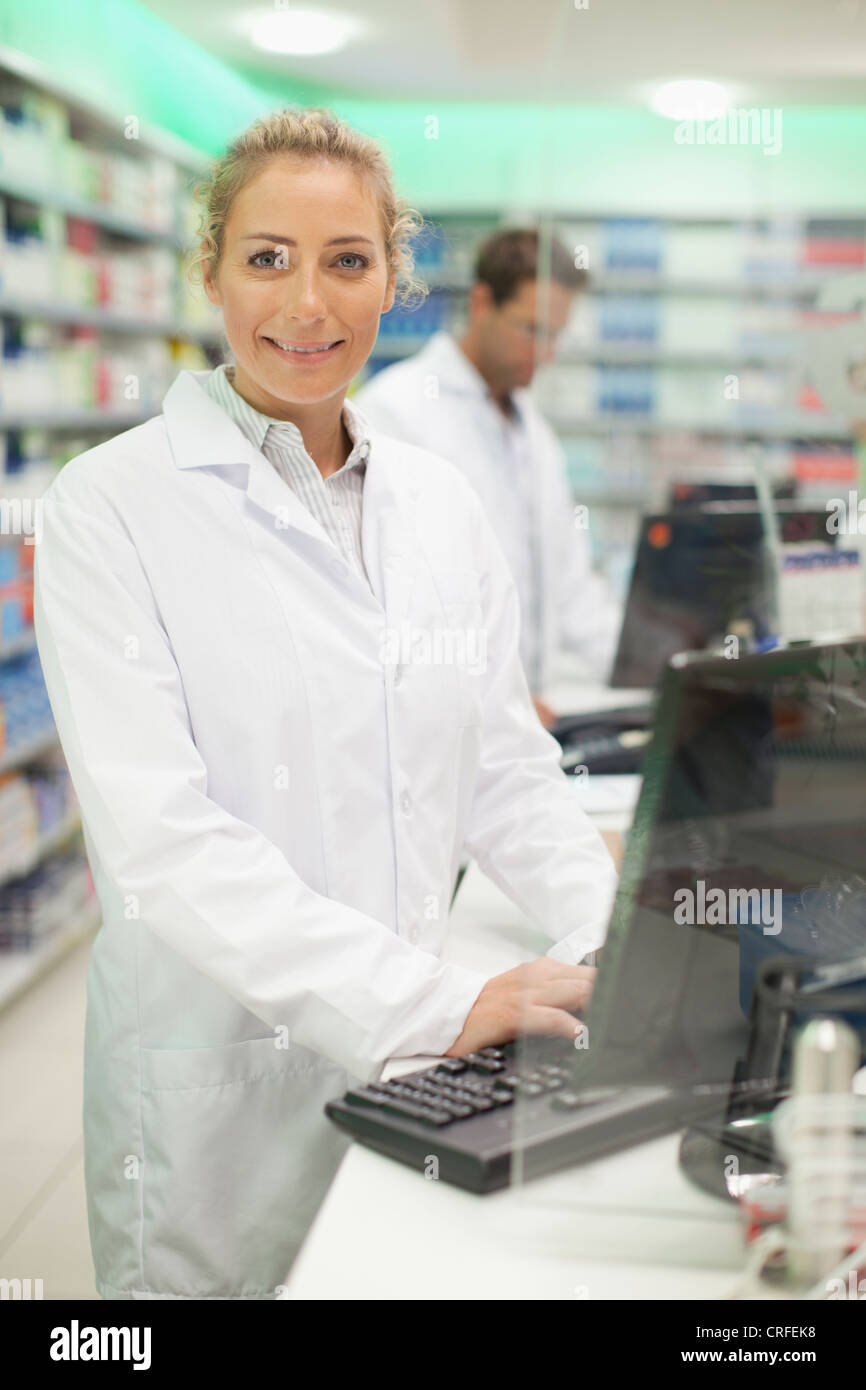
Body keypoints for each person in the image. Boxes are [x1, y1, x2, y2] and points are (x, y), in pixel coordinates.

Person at [33, 107, 617, 1301]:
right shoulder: (108, 508)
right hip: (216, 1096)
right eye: (266, 258)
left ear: (392, 278)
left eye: (347, 260)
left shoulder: (439, 505)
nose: (306, 303)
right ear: (208, 270)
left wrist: (613, 935)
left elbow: (502, 765)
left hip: (424, 1073)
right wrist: (434, 999)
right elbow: (164, 845)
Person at [355, 228, 622, 727]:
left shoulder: (535, 432)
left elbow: (572, 593)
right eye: (531, 330)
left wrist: (657, 674)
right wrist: (496, 701)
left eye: (556, 337)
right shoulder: (396, 411)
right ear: (482, 302)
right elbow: (388, 608)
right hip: (443, 725)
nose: (545, 355)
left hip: (532, 725)